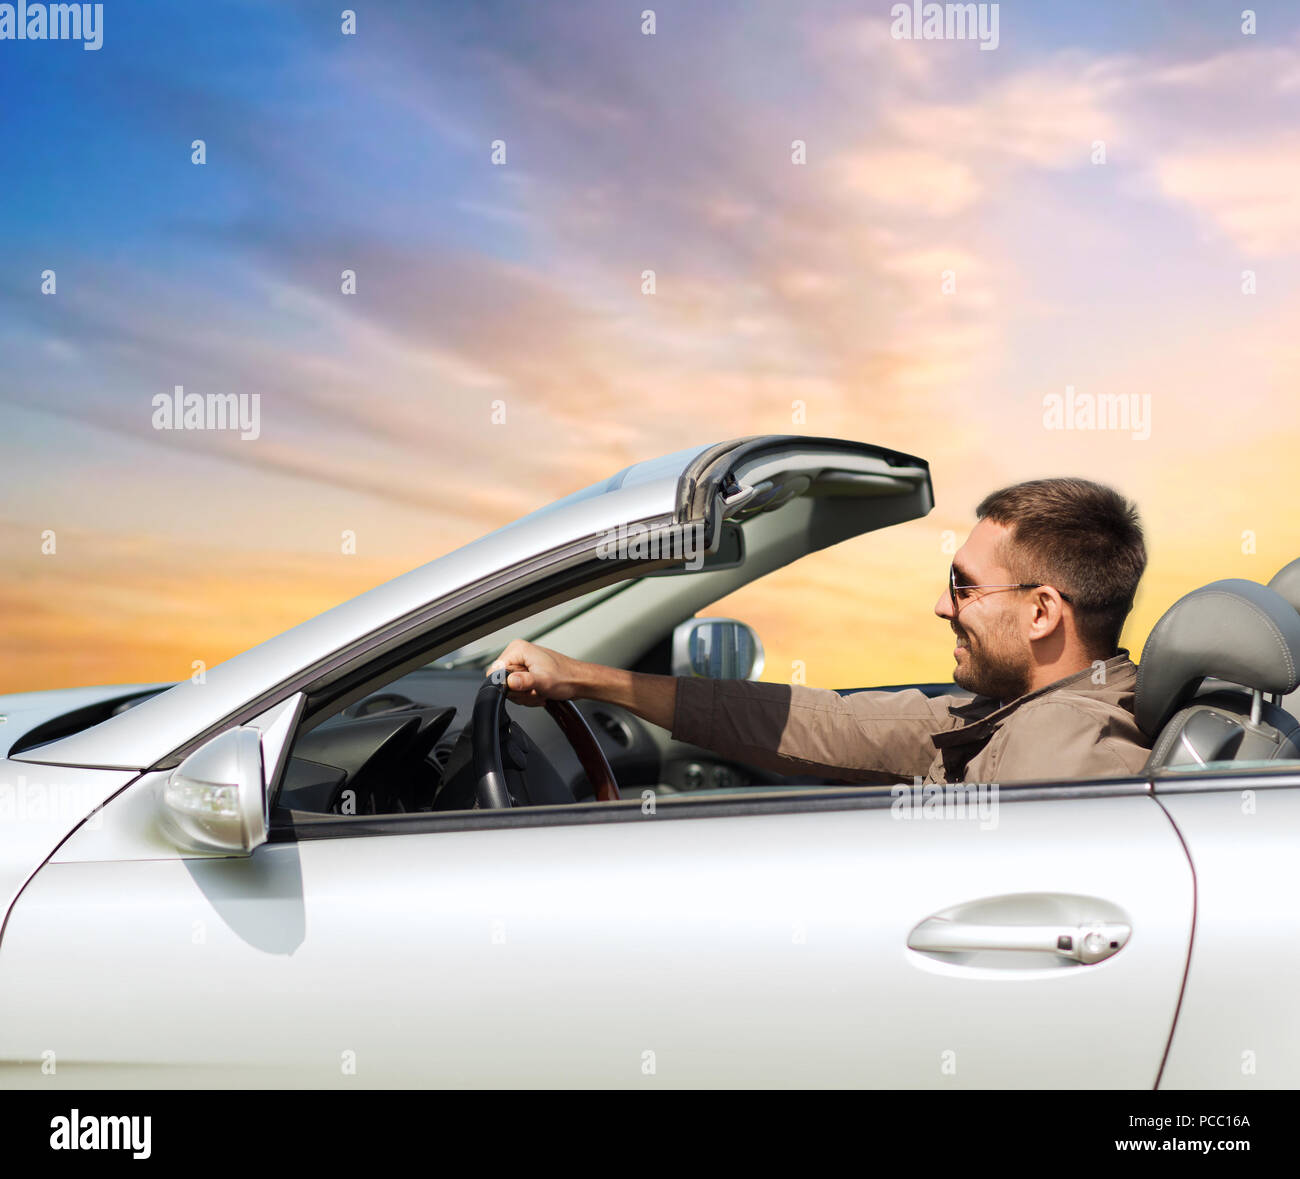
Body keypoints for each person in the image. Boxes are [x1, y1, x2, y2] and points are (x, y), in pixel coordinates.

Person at [487, 478, 1151, 785]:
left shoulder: (1069, 751)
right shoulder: (1009, 715)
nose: (944, 608)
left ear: (1040, 612)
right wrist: (584, 678)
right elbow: (828, 722)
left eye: (964, 586)